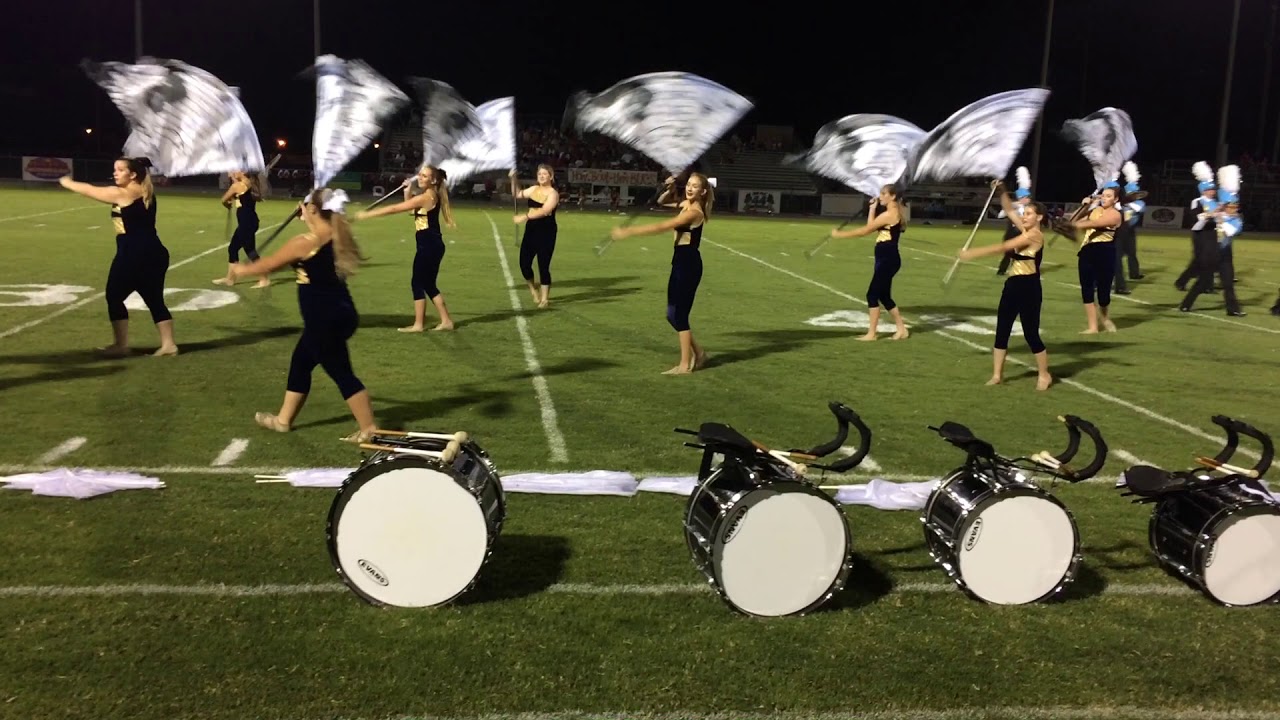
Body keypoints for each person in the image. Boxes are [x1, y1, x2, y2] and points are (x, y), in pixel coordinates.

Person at [230, 188, 377, 441]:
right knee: (301, 362)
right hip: (341, 312)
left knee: (341, 372)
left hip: (323, 318)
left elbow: (269, 264)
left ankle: (369, 429)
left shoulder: (305, 242)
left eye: (306, 204)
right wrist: (309, 212)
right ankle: (283, 421)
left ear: (313, 209)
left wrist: (242, 269)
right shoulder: (336, 234)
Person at [58, 156, 178, 357]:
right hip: (154, 252)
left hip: (133, 254)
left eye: (120, 170)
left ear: (132, 175)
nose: (115, 173)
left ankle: (121, 345)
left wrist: (67, 182)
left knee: (114, 296)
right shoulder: (146, 191)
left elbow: (89, 190)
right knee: (154, 299)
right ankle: (169, 345)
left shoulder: (122, 194)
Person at [610, 173, 712, 374]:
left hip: (689, 264)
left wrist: (628, 232)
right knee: (671, 314)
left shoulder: (694, 212)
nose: (690, 188)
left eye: (695, 186)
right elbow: (660, 201)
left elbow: (661, 226)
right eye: (688, 185)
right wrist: (669, 189)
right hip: (680, 262)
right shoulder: (685, 205)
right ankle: (699, 354)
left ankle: (684, 365)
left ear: (703, 191)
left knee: (678, 314)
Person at [959, 182, 1051, 391]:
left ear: (1039, 218)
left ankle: (1044, 374)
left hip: (1029, 287)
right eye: (1024, 213)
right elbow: (1009, 210)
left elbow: (1004, 247)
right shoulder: (1024, 229)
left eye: (1029, 213)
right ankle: (997, 375)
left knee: (1031, 334)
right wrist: (1002, 190)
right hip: (1012, 284)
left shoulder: (1034, 235)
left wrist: (972, 254)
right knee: (1002, 330)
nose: (1025, 216)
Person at [355, 165, 457, 332]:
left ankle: (418, 325)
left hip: (429, 245)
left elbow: (395, 209)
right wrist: (407, 191)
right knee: (428, 284)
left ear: (433, 180)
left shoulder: (425, 197)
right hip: (431, 244)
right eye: (420, 175)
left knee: (418, 282)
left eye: (424, 176)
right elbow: (411, 210)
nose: (420, 178)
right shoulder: (428, 196)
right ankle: (446, 321)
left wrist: (367, 215)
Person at [829, 184, 910, 341]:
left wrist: (840, 235)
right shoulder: (891, 213)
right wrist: (872, 209)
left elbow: (864, 231)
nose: (880, 196)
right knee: (884, 296)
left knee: (872, 295)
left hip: (887, 259)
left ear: (892, 196)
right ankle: (901, 329)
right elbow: (871, 226)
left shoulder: (889, 215)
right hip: (886, 258)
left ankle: (872, 334)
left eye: (883, 193)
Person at [1180, 165, 1245, 316]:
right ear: (1225, 206)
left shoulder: (1236, 221)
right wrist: (1213, 215)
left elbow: (1231, 231)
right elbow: (1198, 225)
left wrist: (1221, 219)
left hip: (1225, 256)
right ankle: (1186, 304)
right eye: (1232, 206)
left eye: (1236, 206)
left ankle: (1233, 310)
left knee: (1228, 284)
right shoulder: (1215, 213)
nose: (1235, 209)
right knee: (1202, 282)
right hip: (1211, 254)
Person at [1069, 182, 1123, 333]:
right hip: (1087, 251)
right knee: (1087, 289)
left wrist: (1075, 225)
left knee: (1103, 292)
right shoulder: (1094, 210)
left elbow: (1096, 223)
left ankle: (1105, 318)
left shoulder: (1115, 215)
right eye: (1103, 195)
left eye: (1108, 196)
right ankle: (1092, 326)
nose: (1104, 198)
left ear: (1116, 199)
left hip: (1105, 252)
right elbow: (1073, 220)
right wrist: (1085, 206)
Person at [511, 164, 560, 308]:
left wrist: (524, 217)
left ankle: (545, 299)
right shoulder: (533, 189)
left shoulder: (553, 194)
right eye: (539, 174)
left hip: (547, 231)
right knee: (524, 263)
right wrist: (513, 179)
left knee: (543, 265)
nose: (541, 176)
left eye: (545, 174)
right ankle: (533, 289)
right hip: (531, 230)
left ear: (551, 176)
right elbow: (517, 194)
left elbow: (545, 210)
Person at [214, 170, 269, 288]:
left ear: (243, 172)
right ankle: (230, 279)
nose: (233, 172)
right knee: (235, 249)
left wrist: (227, 204)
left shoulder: (237, 186)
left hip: (246, 223)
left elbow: (223, 199)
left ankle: (264, 279)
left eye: (236, 170)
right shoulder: (251, 183)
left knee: (248, 251)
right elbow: (242, 198)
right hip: (251, 221)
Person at [1112, 161, 1145, 295]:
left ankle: (1121, 284)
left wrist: (1124, 204)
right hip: (1114, 233)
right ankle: (1115, 284)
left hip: (1127, 232)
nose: (1135, 195)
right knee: (1114, 259)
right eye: (1133, 194)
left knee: (1121, 258)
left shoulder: (1133, 204)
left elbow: (1137, 208)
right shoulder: (1116, 204)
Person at [995, 167, 1032, 276]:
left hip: (1022, 233)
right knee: (1009, 253)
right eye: (1026, 197)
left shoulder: (1028, 208)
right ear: (1021, 198)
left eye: (1028, 197)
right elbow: (1000, 215)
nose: (1028, 198)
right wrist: (1011, 207)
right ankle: (1002, 270)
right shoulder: (1014, 207)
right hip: (1011, 233)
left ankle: (1018, 270)